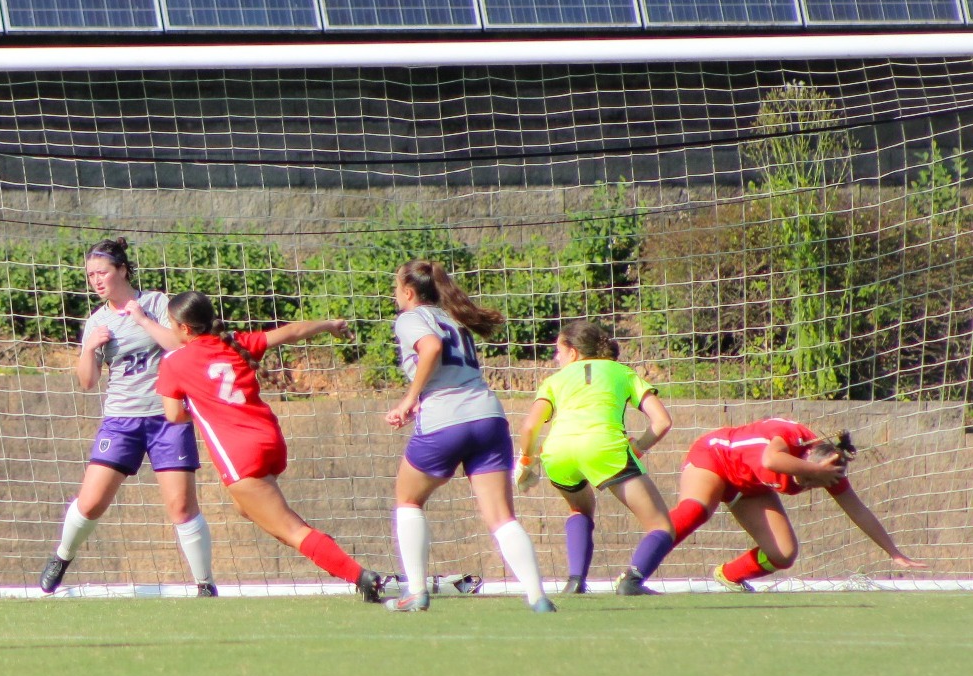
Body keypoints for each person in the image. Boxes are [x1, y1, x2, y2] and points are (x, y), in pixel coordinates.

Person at [153, 292, 387, 601]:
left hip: (239, 453)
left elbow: (174, 415)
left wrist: (199, 404)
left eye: (171, 324)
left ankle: (358, 575)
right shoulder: (234, 340)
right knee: (252, 511)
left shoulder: (174, 362)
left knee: (291, 530)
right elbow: (291, 331)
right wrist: (328, 324)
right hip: (269, 439)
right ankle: (329, 553)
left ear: (183, 328)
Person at [40, 239, 215, 597]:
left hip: (168, 417)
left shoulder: (156, 303)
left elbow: (182, 346)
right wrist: (89, 348)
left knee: (181, 506)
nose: (96, 280)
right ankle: (62, 556)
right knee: (90, 503)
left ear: (122, 270)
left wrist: (142, 320)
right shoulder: (97, 321)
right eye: (90, 275)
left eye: (102, 272)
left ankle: (205, 584)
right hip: (121, 421)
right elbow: (87, 381)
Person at [383, 260, 553, 614]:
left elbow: (430, 349)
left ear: (409, 292)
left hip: (446, 420)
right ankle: (537, 597)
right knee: (502, 516)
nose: (395, 295)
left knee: (408, 500)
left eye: (396, 288)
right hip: (488, 417)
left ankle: (415, 592)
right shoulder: (454, 317)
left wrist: (409, 399)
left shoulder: (411, 318)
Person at [515, 319, 676, 596]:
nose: (556, 357)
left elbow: (530, 427)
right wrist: (638, 448)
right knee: (661, 526)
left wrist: (526, 461)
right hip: (604, 448)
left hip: (558, 452)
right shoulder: (621, 372)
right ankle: (632, 580)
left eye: (558, 351)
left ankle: (575, 581)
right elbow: (662, 422)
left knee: (579, 509)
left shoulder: (553, 381)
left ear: (574, 353)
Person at [666, 419, 924, 589]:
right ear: (807, 459)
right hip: (716, 458)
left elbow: (858, 510)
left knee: (784, 553)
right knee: (695, 512)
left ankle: (728, 577)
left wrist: (894, 553)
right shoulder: (793, 440)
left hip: (747, 486)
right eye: (810, 480)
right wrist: (813, 471)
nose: (809, 486)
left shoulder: (827, 470)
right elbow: (769, 461)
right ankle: (636, 570)